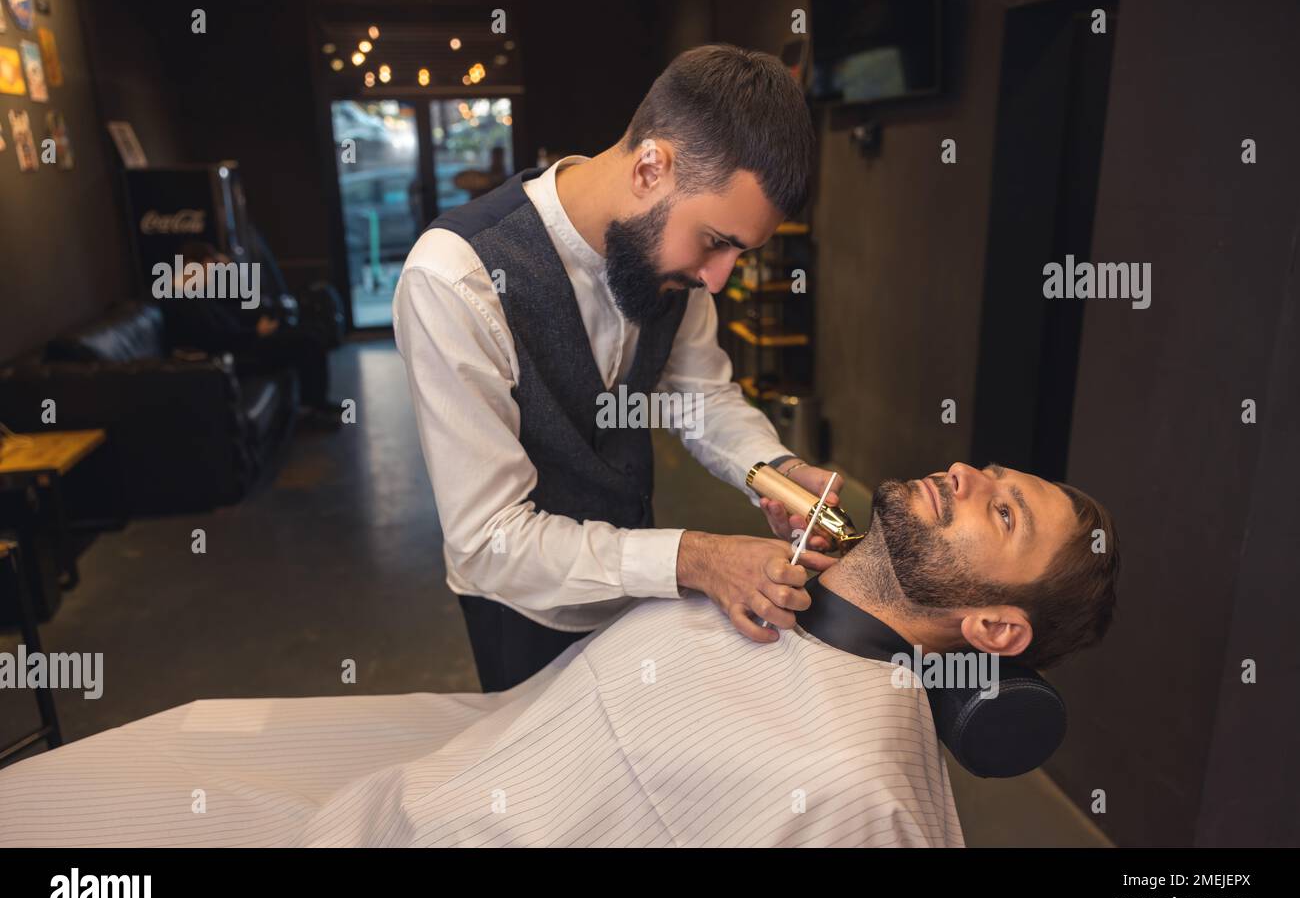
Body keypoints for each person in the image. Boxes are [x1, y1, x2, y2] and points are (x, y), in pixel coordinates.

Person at [0, 462, 1120, 847]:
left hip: (425, 822)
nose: (969, 477)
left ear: (993, 632)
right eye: (990, 472)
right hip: (438, 770)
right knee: (165, 748)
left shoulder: (850, 781)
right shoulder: (774, 577)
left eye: (1003, 517)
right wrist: (695, 558)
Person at [394, 44, 841, 693]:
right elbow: (489, 540)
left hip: (642, 594)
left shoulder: (676, 266)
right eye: (716, 242)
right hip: (524, 609)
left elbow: (701, 397)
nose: (716, 280)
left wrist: (774, 473)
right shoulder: (454, 279)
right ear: (650, 166)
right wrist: (696, 557)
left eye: (738, 253)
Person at [168, 239, 343, 431]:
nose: (212, 275)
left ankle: (317, 403)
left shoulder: (193, 291)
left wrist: (229, 266)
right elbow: (213, 338)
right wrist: (256, 332)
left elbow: (233, 307)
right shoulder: (181, 299)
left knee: (309, 332)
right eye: (209, 269)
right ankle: (313, 408)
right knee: (308, 342)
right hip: (237, 353)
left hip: (243, 341)